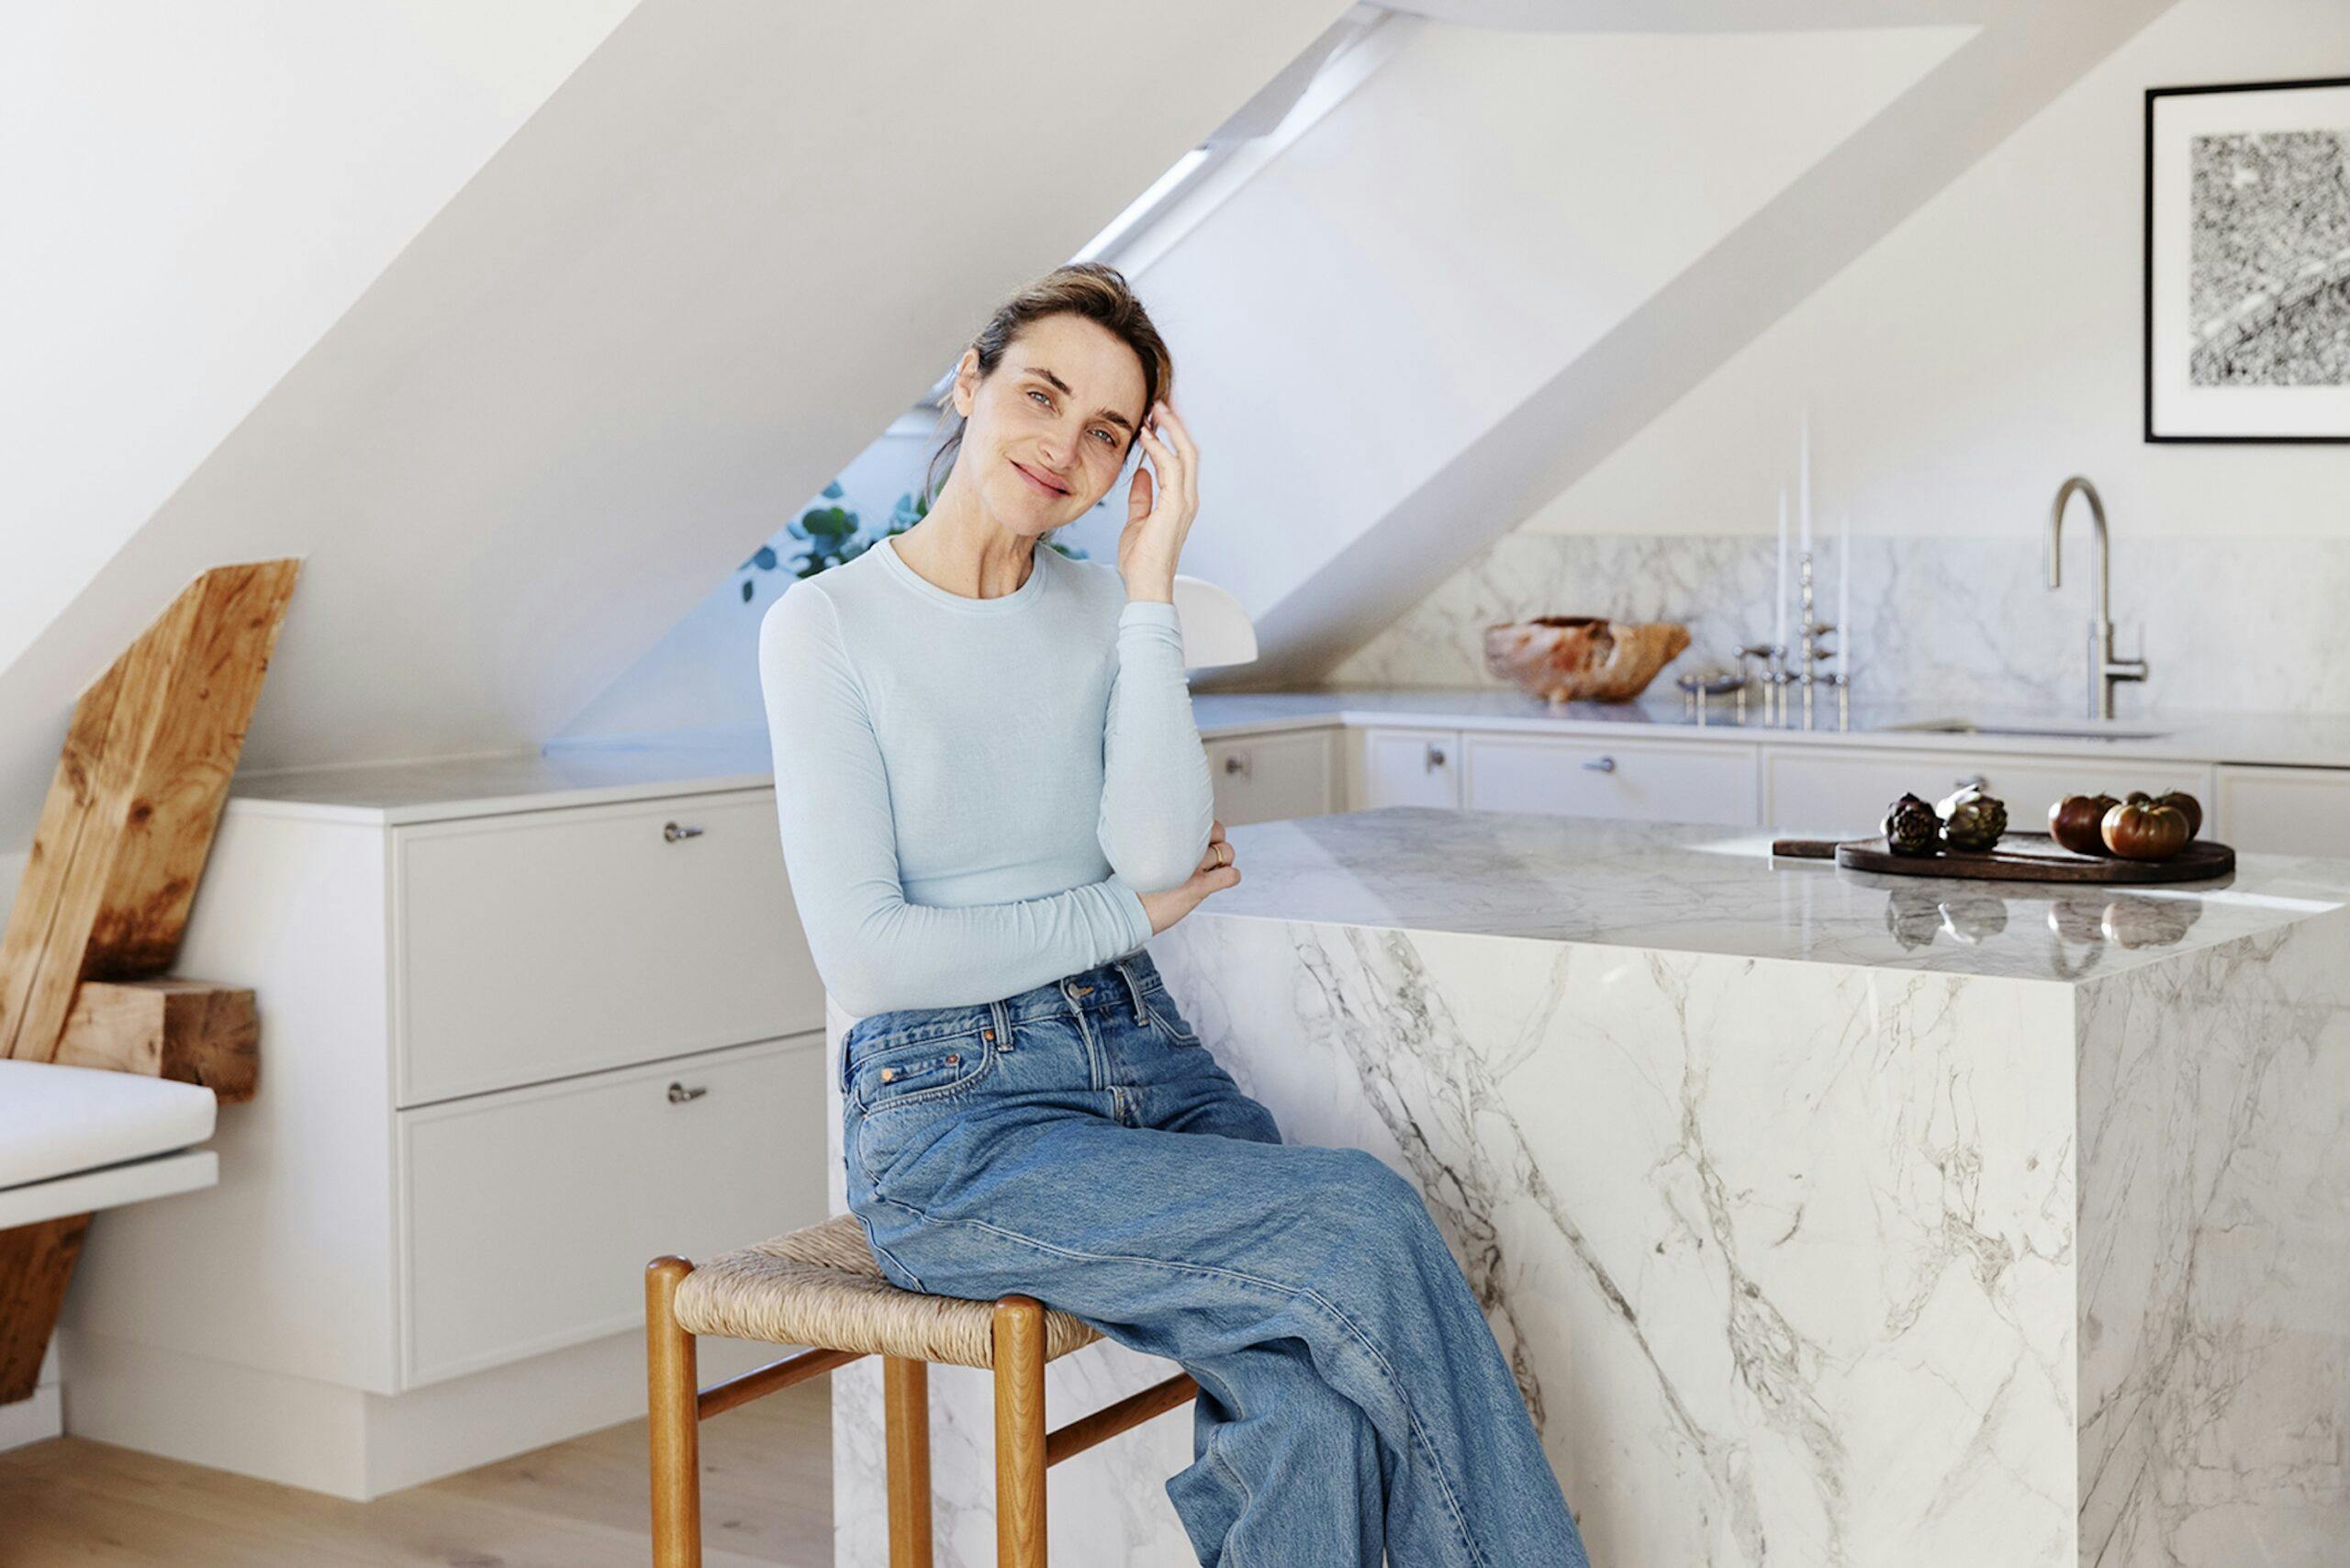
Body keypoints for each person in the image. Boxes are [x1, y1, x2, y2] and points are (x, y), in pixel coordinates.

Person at [757, 262, 1591, 1567]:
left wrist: (1151, 579)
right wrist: (1117, 916)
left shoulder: (1107, 611)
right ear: (969, 384)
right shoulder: (828, 626)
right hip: (955, 1127)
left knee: (1310, 1400)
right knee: (1361, 1215)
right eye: (1040, 396)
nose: (1065, 448)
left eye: (1107, 433)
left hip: (1143, 1062)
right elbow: (871, 956)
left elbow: (1155, 850)